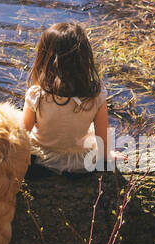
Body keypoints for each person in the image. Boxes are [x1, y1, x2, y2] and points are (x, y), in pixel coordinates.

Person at [22, 22, 119, 173]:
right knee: (91, 130)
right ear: (84, 60)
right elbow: (102, 135)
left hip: (41, 158)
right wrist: (108, 156)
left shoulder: (37, 95)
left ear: (44, 59)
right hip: (80, 162)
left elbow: (23, 132)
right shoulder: (95, 95)